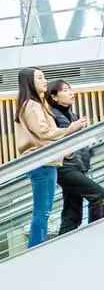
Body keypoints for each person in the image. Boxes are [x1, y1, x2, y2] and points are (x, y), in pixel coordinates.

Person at [17, 66, 89, 247]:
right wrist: (70, 129)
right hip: (41, 161)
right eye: (40, 78)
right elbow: (44, 132)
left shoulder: (34, 104)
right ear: (30, 82)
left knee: (44, 210)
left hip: (44, 161)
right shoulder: (32, 105)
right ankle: (37, 248)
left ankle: (37, 247)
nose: (45, 81)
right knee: (42, 211)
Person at [48, 80, 104, 235]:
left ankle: (63, 246)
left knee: (72, 213)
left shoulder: (73, 116)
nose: (70, 92)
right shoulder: (51, 115)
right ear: (54, 97)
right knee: (99, 195)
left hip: (77, 167)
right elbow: (48, 138)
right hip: (65, 168)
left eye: (70, 89)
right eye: (65, 90)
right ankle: (96, 234)